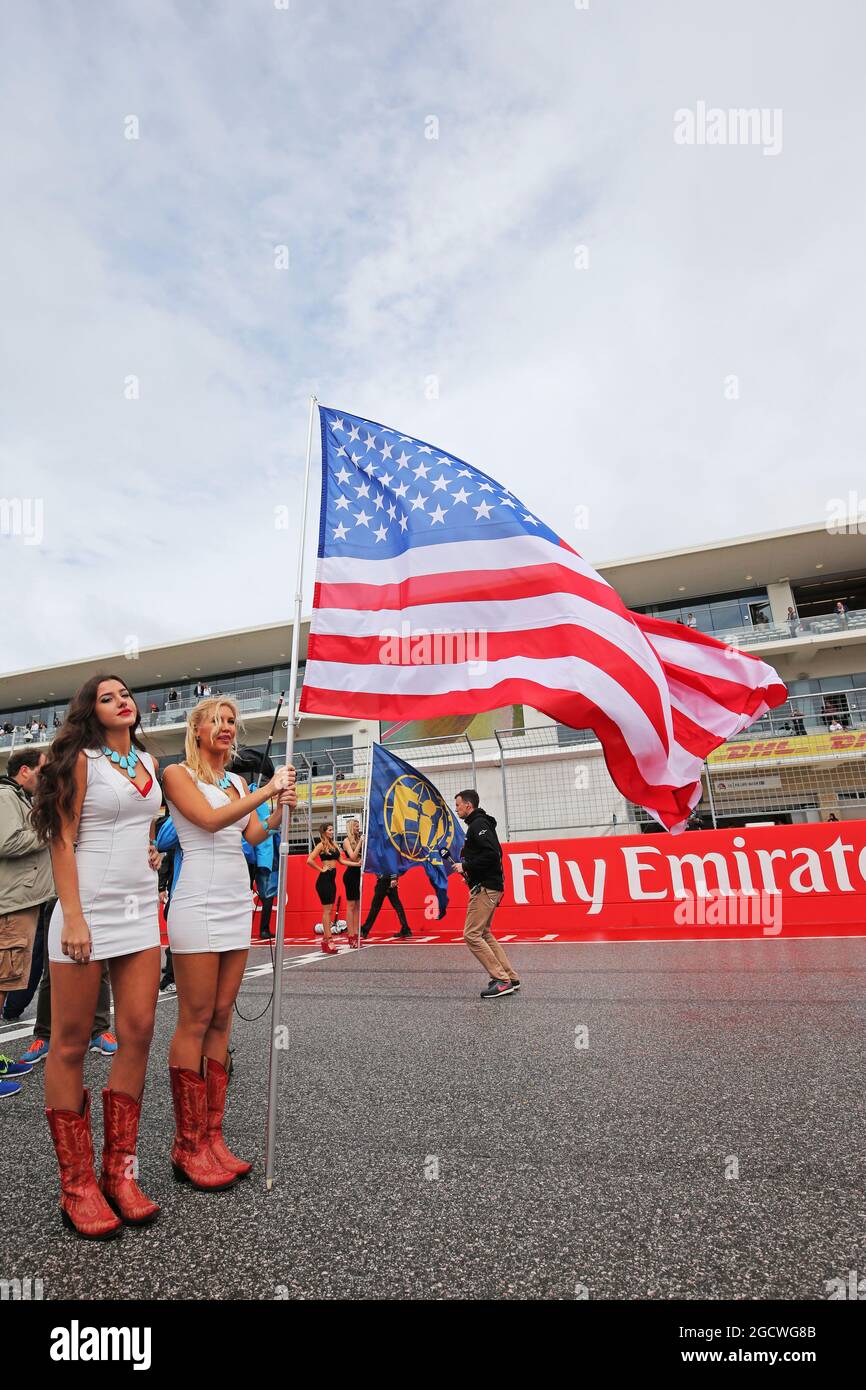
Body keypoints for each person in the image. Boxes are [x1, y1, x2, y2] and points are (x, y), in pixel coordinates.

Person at [32, 674, 164, 1238]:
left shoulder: (151, 765)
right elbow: (63, 840)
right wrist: (76, 914)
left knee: (137, 1032)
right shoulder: (80, 759)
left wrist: (150, 855)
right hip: (86, 911)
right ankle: (77, 1186)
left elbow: (137, 827)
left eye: (125, 693)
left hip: (138, 911)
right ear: (91, 710)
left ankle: (121, 1173)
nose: (122, 700)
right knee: (70, 1042)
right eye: (107, 697)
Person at [162, 697, 295, 1189]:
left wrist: (278, 809)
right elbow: (211, 822)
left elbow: (252, 831)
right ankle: (186, 1143)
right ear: (196, 730)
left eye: (231, 721)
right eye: (215, 720)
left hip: (236, 901)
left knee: (221, 1016)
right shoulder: (177, 774)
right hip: (196, 903)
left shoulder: (238, 783)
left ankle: (212, 1137)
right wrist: (269, 789)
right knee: (194, 1018)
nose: (224, 726)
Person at [0, 748, 53, 1098]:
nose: (46, 780)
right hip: (11, 905)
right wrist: (47, 831)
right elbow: (7, 841)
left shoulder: (16, 796)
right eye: (42, 772)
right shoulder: (6, 796)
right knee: (2, 982)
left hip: (22, 901)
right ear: (25, 771)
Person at [453, 789, 519, 999]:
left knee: (471, 935)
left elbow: (493, 855)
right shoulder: (478, 824)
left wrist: (465, 865)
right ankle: (510, 977)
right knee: (484, 933)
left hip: (486, 888)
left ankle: (502, 980)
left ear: (468, 806)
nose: (457, 809)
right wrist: (470, 870)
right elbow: (489, 856)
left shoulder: (478, 825)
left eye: (458, 805)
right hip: (490, 886)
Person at [307, 822, 344, 954]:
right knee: (327, 911)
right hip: (323, 881)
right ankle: (329, 939)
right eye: (329, 830)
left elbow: (342, 861)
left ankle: (325, 940)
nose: (332, 831)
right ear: (324, 832)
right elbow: (309, 860)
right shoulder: (321, 845)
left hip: (331, 880)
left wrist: (357, 863)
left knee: (329, 910)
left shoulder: (333, 845)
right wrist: (320, 869)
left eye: (332, 829)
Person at [360, 872, 412, 940]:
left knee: (375, 907)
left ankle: (365, 929)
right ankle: (406, 929)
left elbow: (392, 862)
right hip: (387, 879)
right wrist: (394, 878)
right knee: (397, 905)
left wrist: (394, 878)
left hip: (384, 880)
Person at [341, 819, 363, 948]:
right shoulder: (346, 841)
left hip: (358, 873)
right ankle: (350, 935)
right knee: (351, 905)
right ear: (350, 827)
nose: (358, 828)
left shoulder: (359, 838)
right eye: (356, 826)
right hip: (350, 874)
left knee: (357, 905)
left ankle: (356, 933)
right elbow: (353, 857)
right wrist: (360, 842)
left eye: (358, 826)